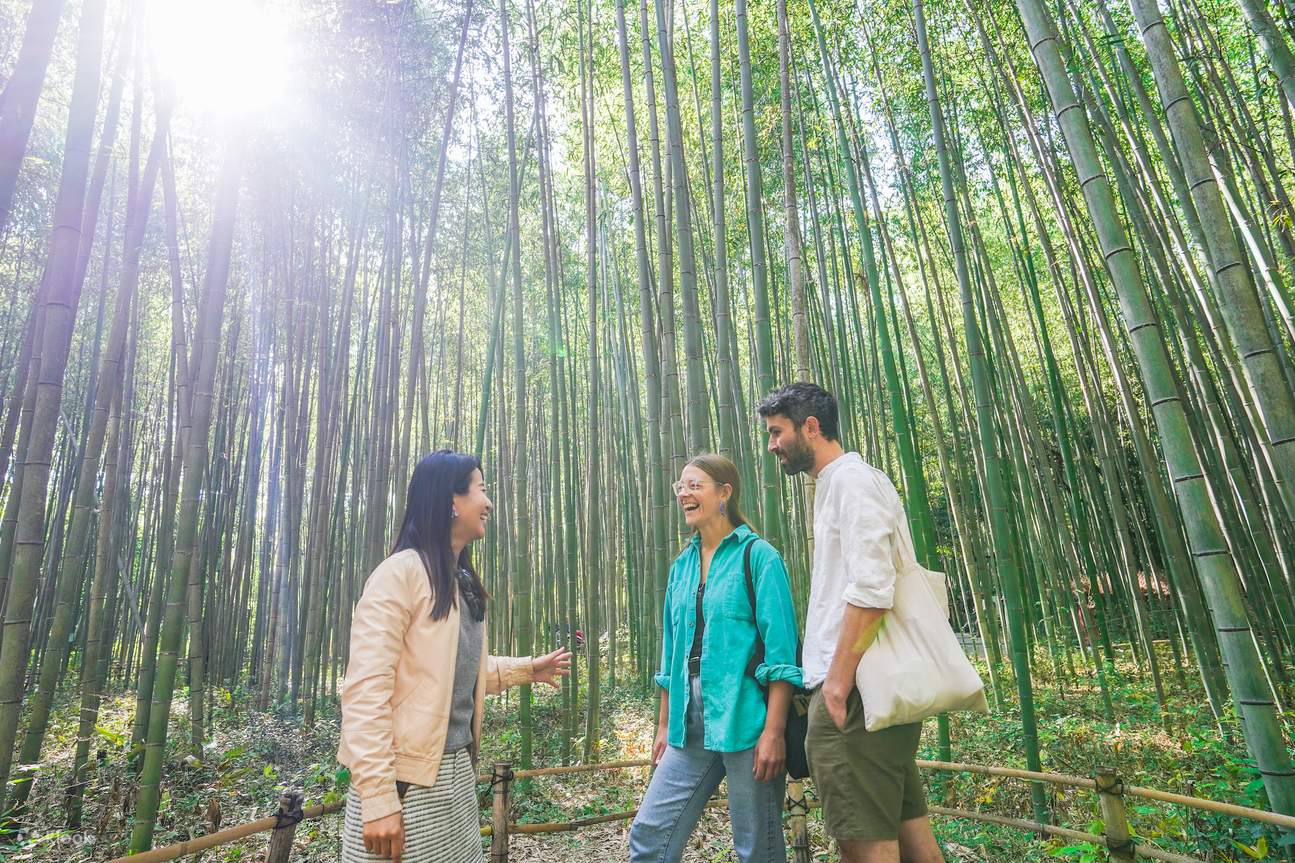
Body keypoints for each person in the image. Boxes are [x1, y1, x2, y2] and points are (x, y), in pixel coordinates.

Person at [337, 450, 572, 863]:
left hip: (454, 778)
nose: (489, 502)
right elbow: (365, 692)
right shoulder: (400, 575)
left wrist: (526, 670)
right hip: (404, 786)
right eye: (481, 489)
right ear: (452, 500)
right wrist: (377, 799)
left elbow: (449, 674)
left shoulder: (459, 580)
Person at [757, 383, 944, 863]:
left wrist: (836, 685)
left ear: (811, 428)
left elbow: (872, 588)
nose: (772, 444)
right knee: (913, 843)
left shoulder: (850, 482)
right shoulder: (841, 483)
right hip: (867, 693)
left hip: (857, 693)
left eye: (777, 432)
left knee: (863, 846)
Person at [629, 454, 802, 863]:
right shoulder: (681, 567)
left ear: (725, 493)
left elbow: (781, 654)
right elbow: (672, 652)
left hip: (748, 719)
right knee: (649, 836)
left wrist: (774, 731)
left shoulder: (759, 557)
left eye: (695, 485)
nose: (684, 494)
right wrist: (663, 723)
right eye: (680, 487)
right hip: (689, 724)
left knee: (756, 848)